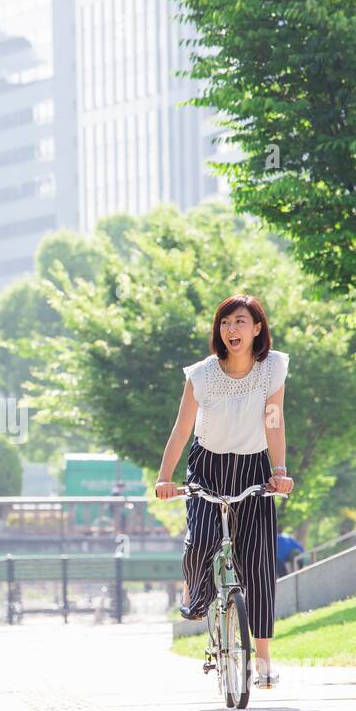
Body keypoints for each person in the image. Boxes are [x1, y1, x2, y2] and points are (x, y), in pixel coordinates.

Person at [155, 294, 294, 688]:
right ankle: (195, 593)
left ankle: (264, 661)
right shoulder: (201, 375)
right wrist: (166, 478)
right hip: (208, 466)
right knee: (200, 542)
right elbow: (182, 430)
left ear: (257, 328)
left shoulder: (272, 370)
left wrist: (279, 471)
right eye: (225, 323)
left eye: (239, 321)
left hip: (253, 467)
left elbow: (274, 422)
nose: (231, 329)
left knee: (259, 565)